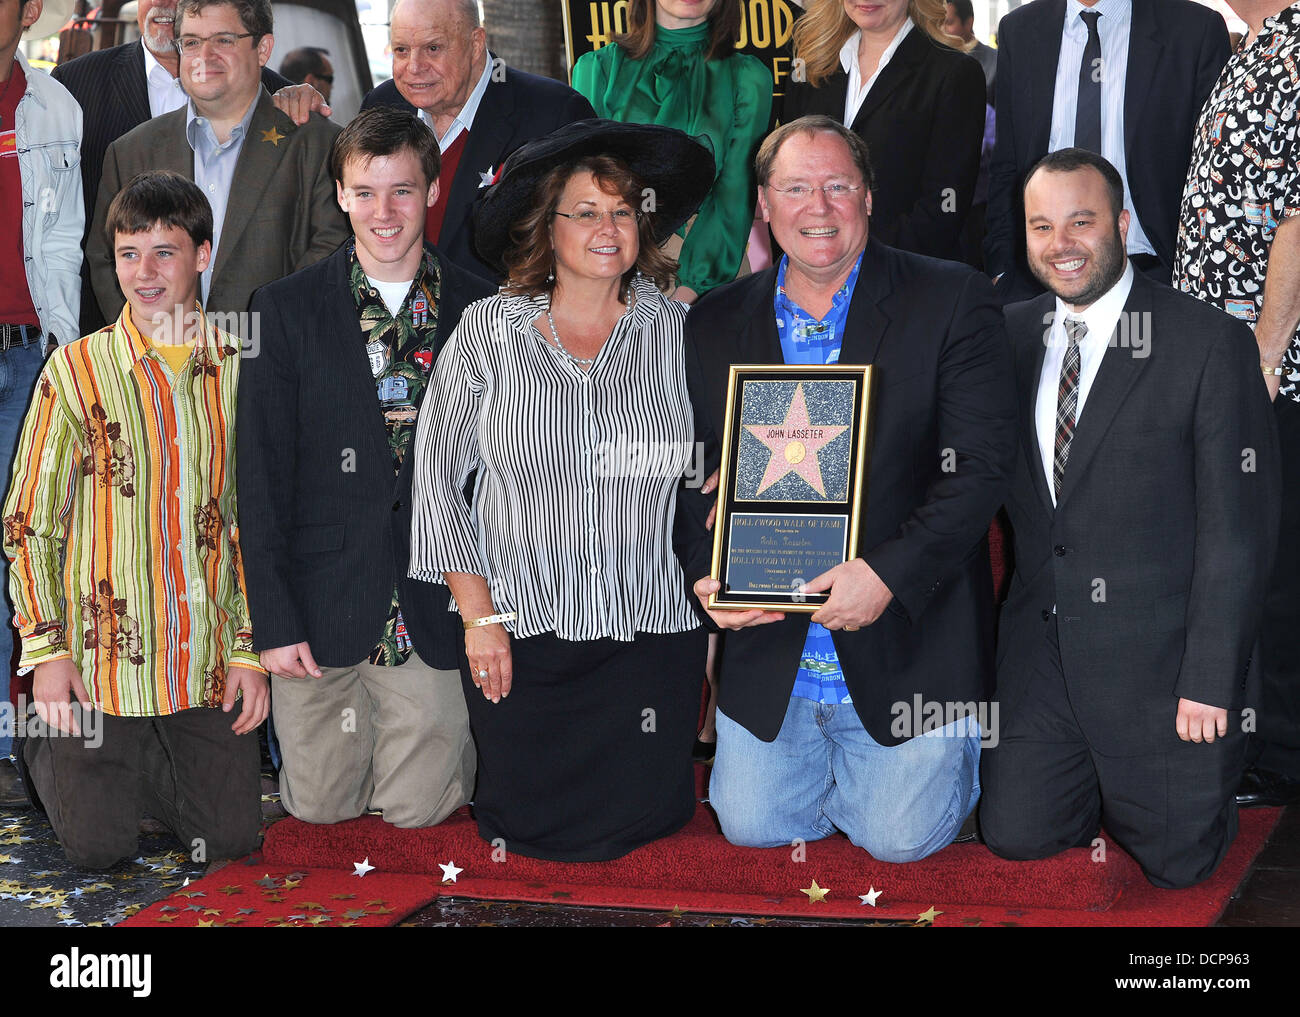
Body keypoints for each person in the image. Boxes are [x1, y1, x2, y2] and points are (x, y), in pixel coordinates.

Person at [679, 116, 1017, 861]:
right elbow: (688, 476)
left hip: (909, 642)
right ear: (764, 205)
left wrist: (885, 575)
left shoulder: (951, 298)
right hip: (775, 653)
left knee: (899, 840)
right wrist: (708, 573)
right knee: (752, 825)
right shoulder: (712, 321)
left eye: (838, 186)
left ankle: (928, 767)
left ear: (868, 194)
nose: (819, 207)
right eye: (796, 188)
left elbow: (983, 468)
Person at [408, 119, 715, 860]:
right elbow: (437, 480)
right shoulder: (488, 330)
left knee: (652, 828)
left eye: (623, 210)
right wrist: (479, 617)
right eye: (586, 211)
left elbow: (713, 476)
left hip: (648, 626)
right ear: (547, 225)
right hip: (522, 632)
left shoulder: (683, 333)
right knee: (524, 830)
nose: (608, 227)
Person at [982, 149, 1280, 887]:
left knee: (1180, 863)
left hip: (1164, 664)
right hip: (1043, 658)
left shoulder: (1210, 343)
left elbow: (1237, 532)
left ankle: (1166, 776)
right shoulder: (1005, 337)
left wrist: (1210, 680)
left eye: (1081, 221)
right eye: (1042, 226)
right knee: (1016, 835)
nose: (1062, 244)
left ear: (1120, 224)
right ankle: (1084, 771)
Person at [3, 170, 268, 868]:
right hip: (97, 664)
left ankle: (150, 757)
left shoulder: (240, 368)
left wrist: (246, 651)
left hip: (199, 658)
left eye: (164, 252)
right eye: (127, 253)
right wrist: (47, 654)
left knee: (232, 841)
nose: (143, 273)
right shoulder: (75, 369)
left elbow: (253, 526)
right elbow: (29, 520)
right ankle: (50, 739)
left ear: (203, 254)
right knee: (98, 848)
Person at [238, 108, 490, 828]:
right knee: (318, 810)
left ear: (434, 191)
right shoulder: (281, 311)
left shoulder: (483, 310)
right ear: (341, 195)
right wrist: (275, 622)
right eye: (366, 191)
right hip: (321, 610)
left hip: (434, 602)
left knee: (419, 814)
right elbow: (258, 479)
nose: (385, 212)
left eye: (403, 190)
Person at [1174, 0, 1300, 809]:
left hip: (1276, 369)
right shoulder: (1256, 42)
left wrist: (1265, 346)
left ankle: (1286, 753)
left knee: (1279, 557)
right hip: (1237, 358)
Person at [51, 0, 320, 335]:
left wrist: (274, 347)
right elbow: (99, 250)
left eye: (223, 40)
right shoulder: (79, 89)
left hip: (271, 355)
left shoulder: (297, 115)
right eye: (192, 42)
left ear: (261, 49)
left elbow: (325, 252)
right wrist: (150, 340)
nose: (205, 56)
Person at [985, 0, 1230, 303]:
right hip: (1043, 278)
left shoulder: (1195, 29)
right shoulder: (1020, 29)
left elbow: (1217, 173)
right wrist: (1002, 266)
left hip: (1156, 270)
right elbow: (1008, 163)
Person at [0, 0, 83, 807]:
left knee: (19, 545)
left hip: (29, 358)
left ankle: (5, 744)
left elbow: (67, 235)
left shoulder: (54, 106)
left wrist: (62, 343)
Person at [360, 0, 595, 282]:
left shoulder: (554, 114)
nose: (414, 66)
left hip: (507, 319)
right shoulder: (381, 105)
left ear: (475, 43)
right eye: (401, 50)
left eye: (433, 48)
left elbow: (586, 236)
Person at [572, 0, 771, 303]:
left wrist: (689, 292)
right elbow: (583, 188)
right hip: (611, 268)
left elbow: (734, 193)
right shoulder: (596, 70)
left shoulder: (748, 77)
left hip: (709, 274)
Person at [781, 0, 986, 262]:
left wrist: (863, 267)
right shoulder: (810, 65)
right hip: (810, 270)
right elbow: (789, 181)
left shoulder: (954, 73)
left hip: (908, 275)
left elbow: (944, 203)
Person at [943, 0, 995, 104]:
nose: (942, 29)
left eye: (948, 23)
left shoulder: (995, 63)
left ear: (968, 23)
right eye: (937, 23)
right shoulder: (936, 62)